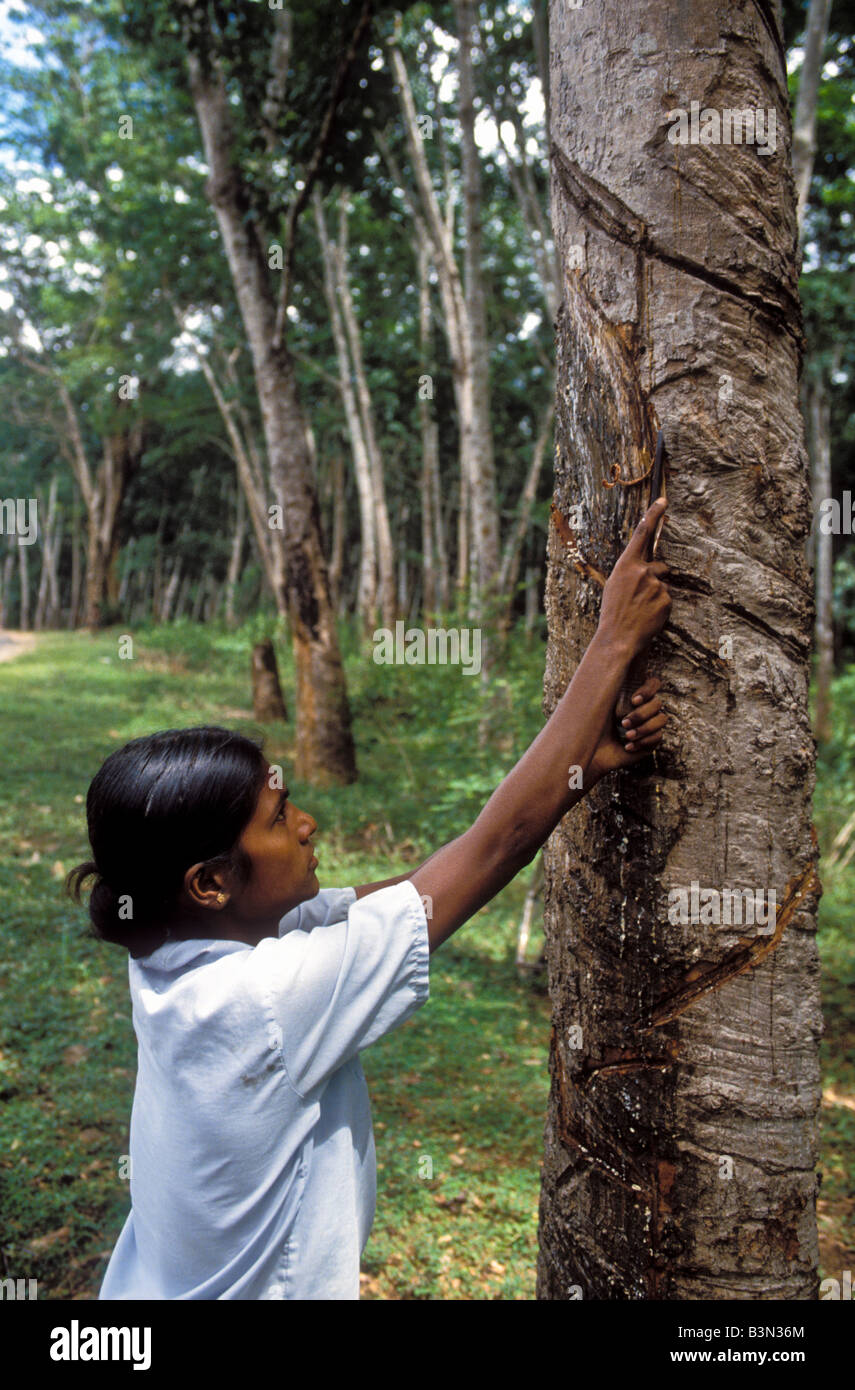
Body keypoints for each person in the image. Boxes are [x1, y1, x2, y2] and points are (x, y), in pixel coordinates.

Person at [67, 497, 671, 1300]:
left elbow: (403, 892)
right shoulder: (266, 997)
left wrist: (582, 769)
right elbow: (490, 851)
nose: (308, 824)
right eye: (280, 821)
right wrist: (612, 641)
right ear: (211, 883)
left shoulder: (175, 958)